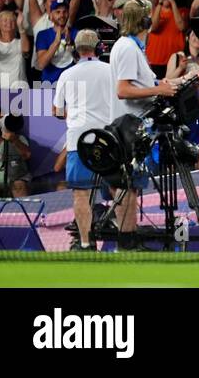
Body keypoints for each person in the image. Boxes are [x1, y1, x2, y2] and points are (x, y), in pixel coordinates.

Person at [109, 0, 180, 247]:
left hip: (134, 126)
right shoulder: (128, 48)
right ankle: (126, 240)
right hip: (129, 127)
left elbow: (145, 85)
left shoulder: (132, 47)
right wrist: (159, 91)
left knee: (131, 186)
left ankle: (128, 237)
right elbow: (124, 90)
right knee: (128, 186)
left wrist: (172, 84)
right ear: (145, 20)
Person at [53, 30, 116, 249]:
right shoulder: (111, 71)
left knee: (81, 193)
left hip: (79, 141)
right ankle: (124, 238)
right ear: (99, 48)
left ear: (75, 50)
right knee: (118, 189)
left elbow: (57, 111)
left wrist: (75, 113)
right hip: (108, 140)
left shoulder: (66, 75)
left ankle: (86, 243)